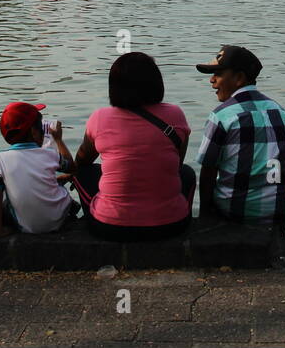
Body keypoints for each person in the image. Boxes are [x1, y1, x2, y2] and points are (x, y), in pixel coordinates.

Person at [70, 53, 194, 240]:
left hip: (110, 227)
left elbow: (82, 160)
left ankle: (101, 212)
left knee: (82, 172)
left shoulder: (100, 118)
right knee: (186, 173)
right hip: (171, 226)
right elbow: (176, 164)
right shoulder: (175, 114)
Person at [195, 46, 285, 237]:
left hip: (235, 214)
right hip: (278, 213)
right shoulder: (284, 114)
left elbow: (208, 171)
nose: (212, 80)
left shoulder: (221, 116)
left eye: (218, 74)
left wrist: (205, 217)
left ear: (239, 78)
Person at [0, 101, 75, 235]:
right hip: (59, 220)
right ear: (34, 132)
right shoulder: (50, 154)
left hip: (26, 228)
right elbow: (71, 166)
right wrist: (58, 139)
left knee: (5, 198)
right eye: (42, 128)